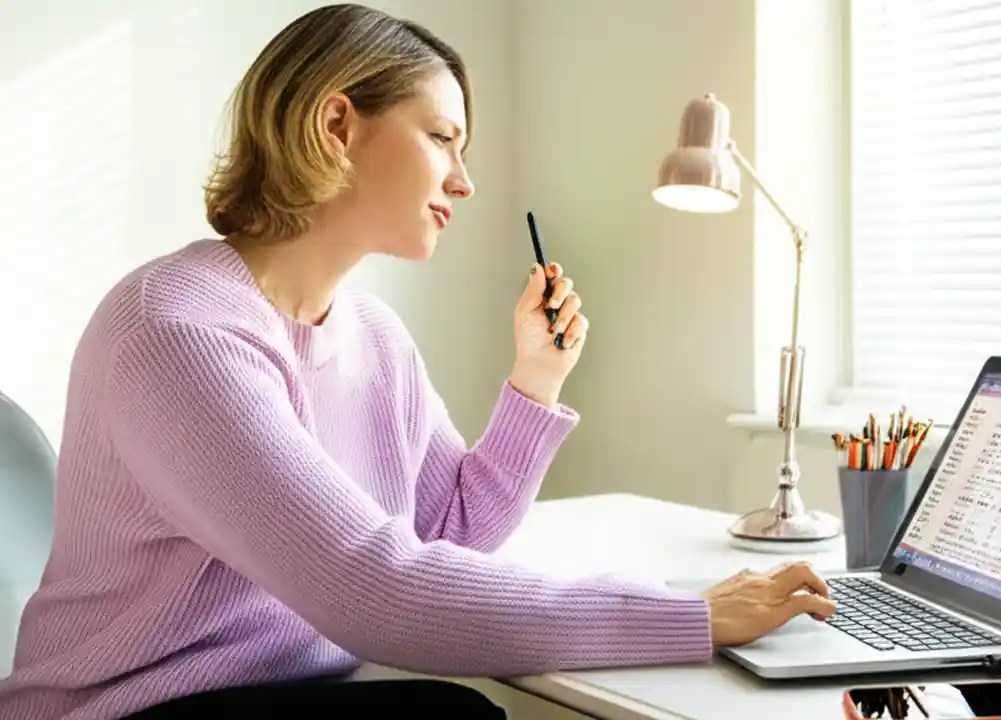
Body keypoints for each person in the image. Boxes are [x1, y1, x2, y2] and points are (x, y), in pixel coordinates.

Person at [0, 4, 837, 718]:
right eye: (442, 137)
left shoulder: (371, 333)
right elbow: (377, 589)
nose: (464, 180)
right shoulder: (177, 334)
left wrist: (534, 382)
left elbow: (450, 533)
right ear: (336, 127)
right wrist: (684, 616)